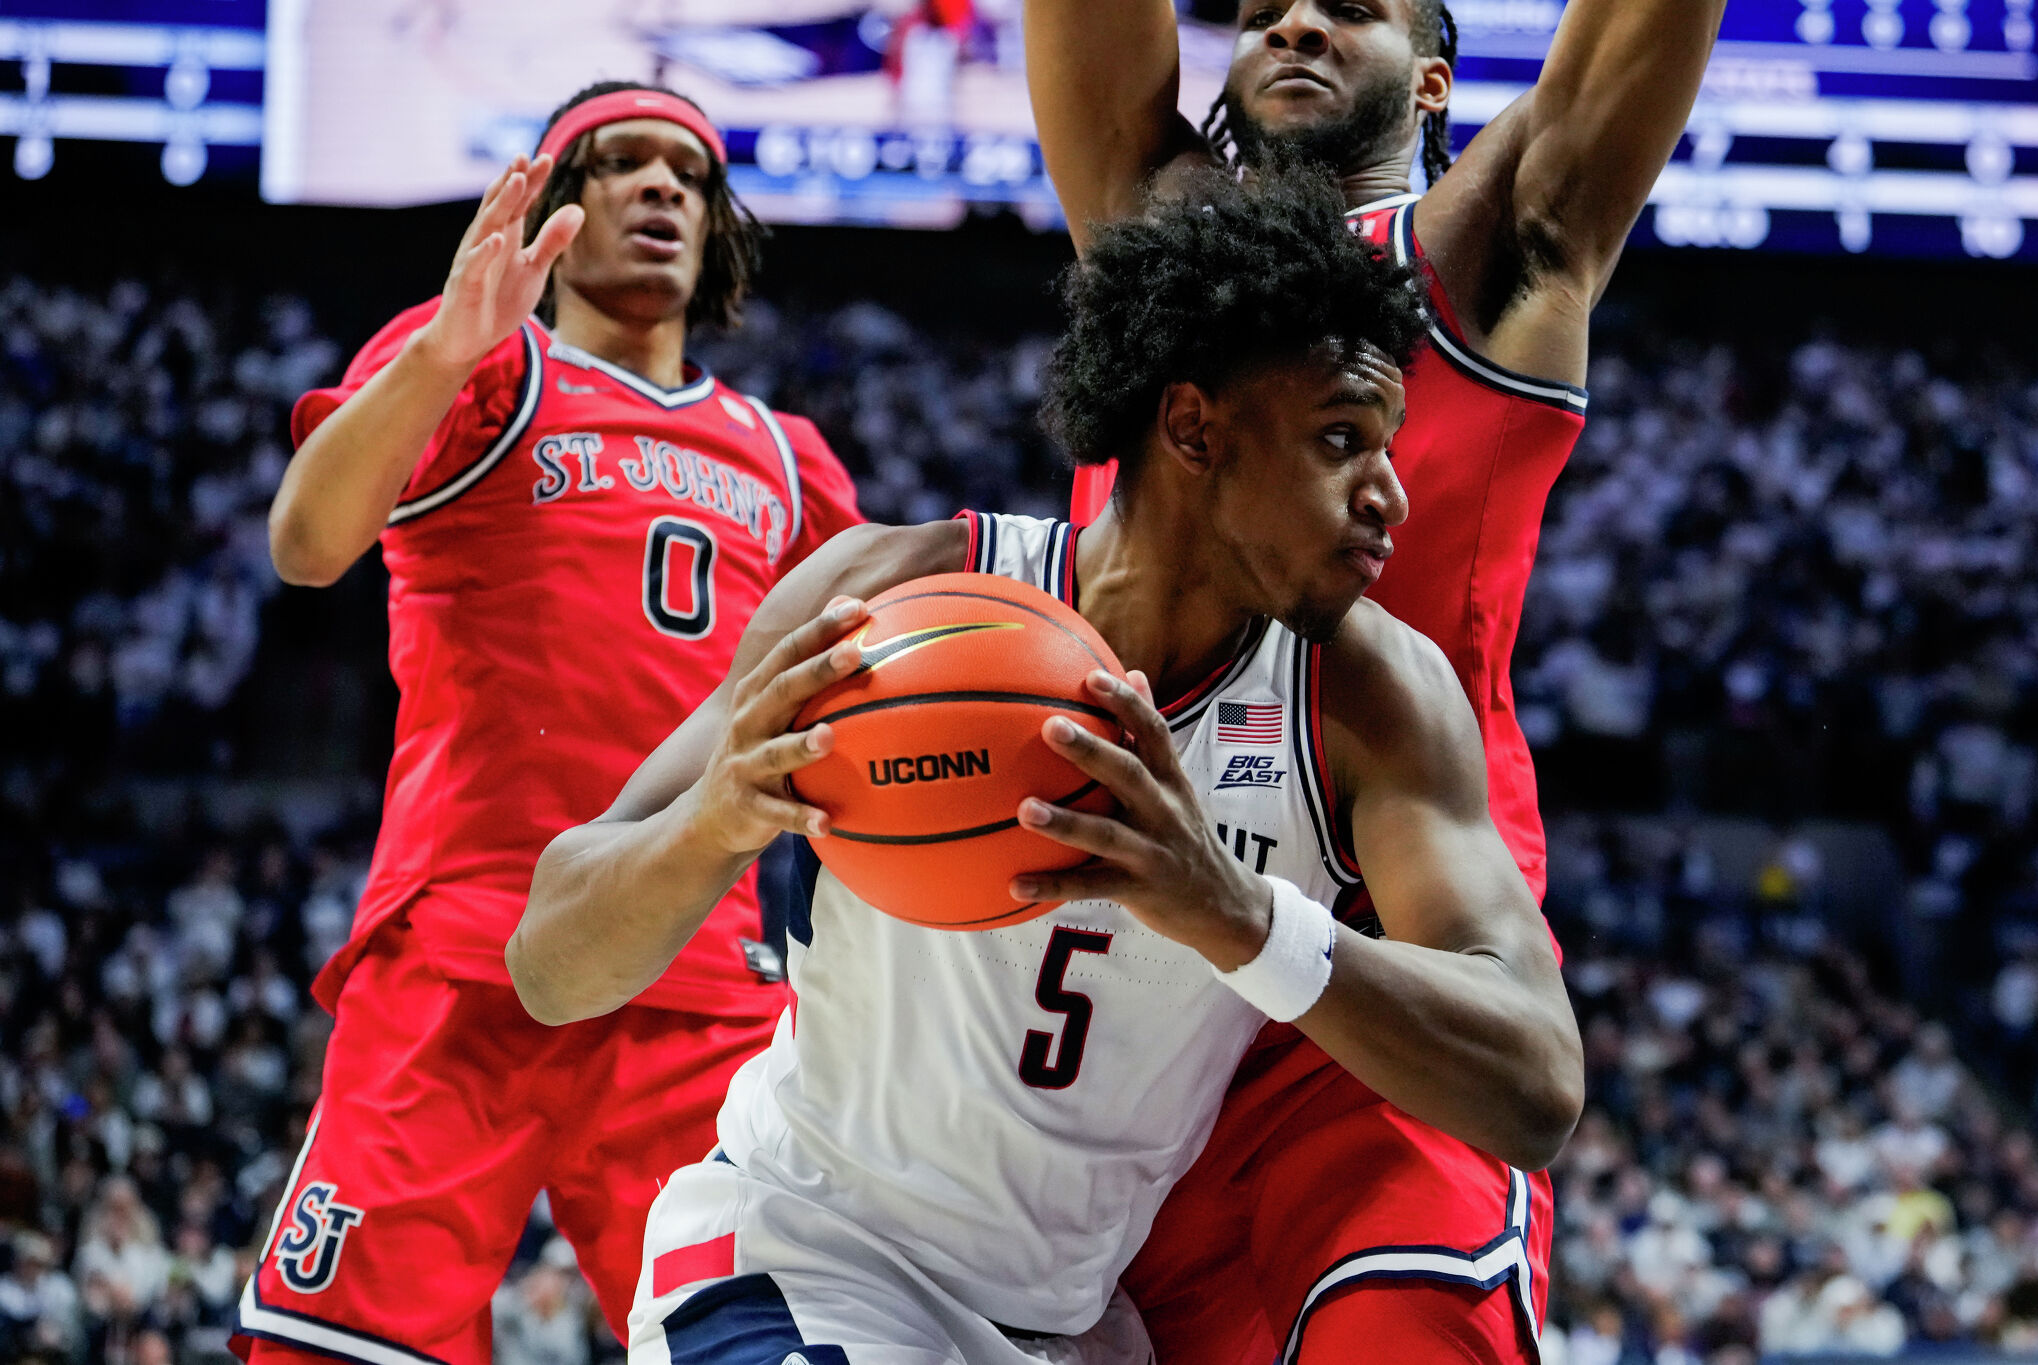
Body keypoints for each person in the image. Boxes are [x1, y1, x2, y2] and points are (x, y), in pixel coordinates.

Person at [509, 163, 1581, 1364]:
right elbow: (550, 962)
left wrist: (1236, 916)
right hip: (806, 1256)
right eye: (1341, 439)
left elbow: (1534, 1085)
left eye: (1384, 444)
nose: (1388, 493)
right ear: (1191, 429)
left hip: (1072, 1331)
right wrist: (710, 819)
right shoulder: (890, 601)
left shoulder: (1369, 698)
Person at [1023, 0, 1724, 1356]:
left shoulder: (1489, 240)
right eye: (1262, 6)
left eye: (1350, 5)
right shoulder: (1158, 248)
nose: (1292, 20)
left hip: (1393, 926)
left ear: (1433, 82)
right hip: (1125, 974)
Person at [232, 81, 863, 1363]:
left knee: (774, 1342)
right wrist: (445, 346)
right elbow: (305, 543)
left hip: (702, 986)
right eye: (620, 162)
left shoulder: (790, 458)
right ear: (559, 210)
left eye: (687, 172)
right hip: (466, 953)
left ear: (718, 223)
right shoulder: (484, 367)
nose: (658, 188)